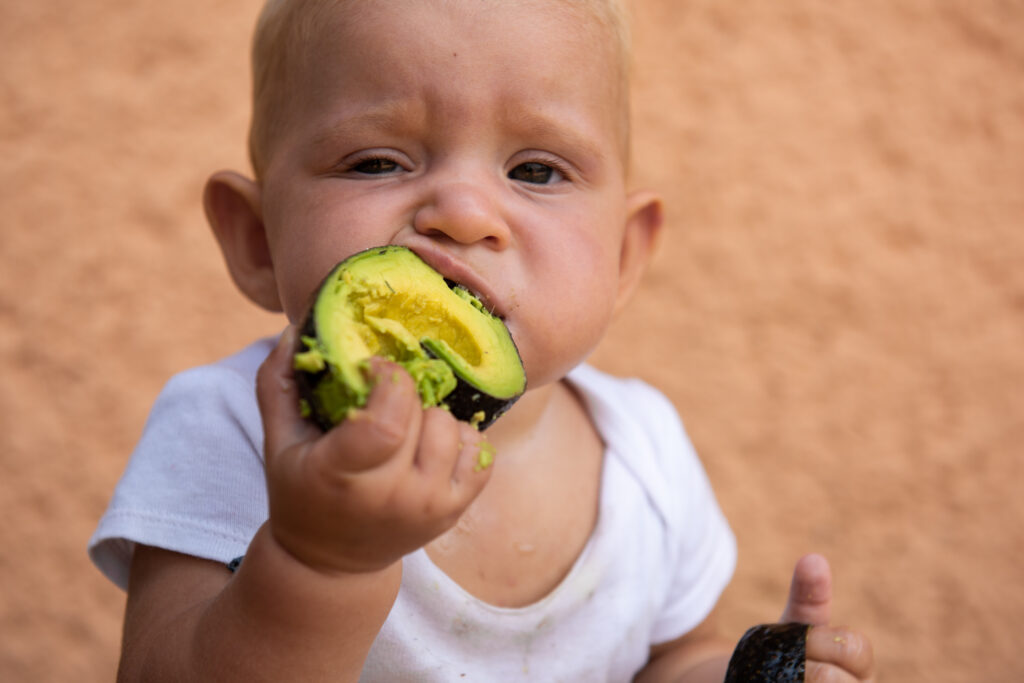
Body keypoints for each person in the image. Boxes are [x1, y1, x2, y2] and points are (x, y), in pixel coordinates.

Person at [89, 0, 875, 680]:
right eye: (375, 161)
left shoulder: (648, 454)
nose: (462, 212)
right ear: (258, 241)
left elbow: (666, 659)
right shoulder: (228, 427)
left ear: (625, 255)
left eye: (536, 171)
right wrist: (317, 562)